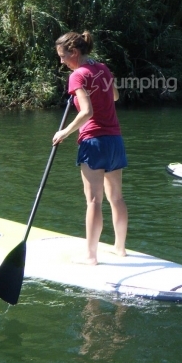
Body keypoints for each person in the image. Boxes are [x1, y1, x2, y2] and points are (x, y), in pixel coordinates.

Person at [52, 31, 128, 265]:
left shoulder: (77, 75)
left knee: (94, 201)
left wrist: (64, 132)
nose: (61, 61)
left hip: (94, 141)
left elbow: (87, 112)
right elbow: (114, 96)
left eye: (63, 56)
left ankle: (91, 256)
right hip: (115, 140)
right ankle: (120, 249)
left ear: (74, 52)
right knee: (116, 198)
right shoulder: (102, 68)